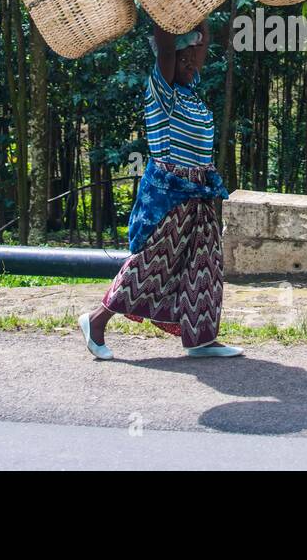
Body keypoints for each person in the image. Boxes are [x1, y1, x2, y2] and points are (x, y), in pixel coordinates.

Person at [79, 20, 243, 360]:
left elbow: (204, 39)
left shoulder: (190, 90)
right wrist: (163, 6)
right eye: (187, 59)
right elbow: (166, 45)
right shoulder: (162, 92)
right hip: (168, 194)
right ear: (174, 59)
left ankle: (200, 338)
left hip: (198, 191)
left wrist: (199, 6)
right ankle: (96, 320)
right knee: (151, 263)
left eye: (195, 59)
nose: (194, 63)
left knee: (205, 264)